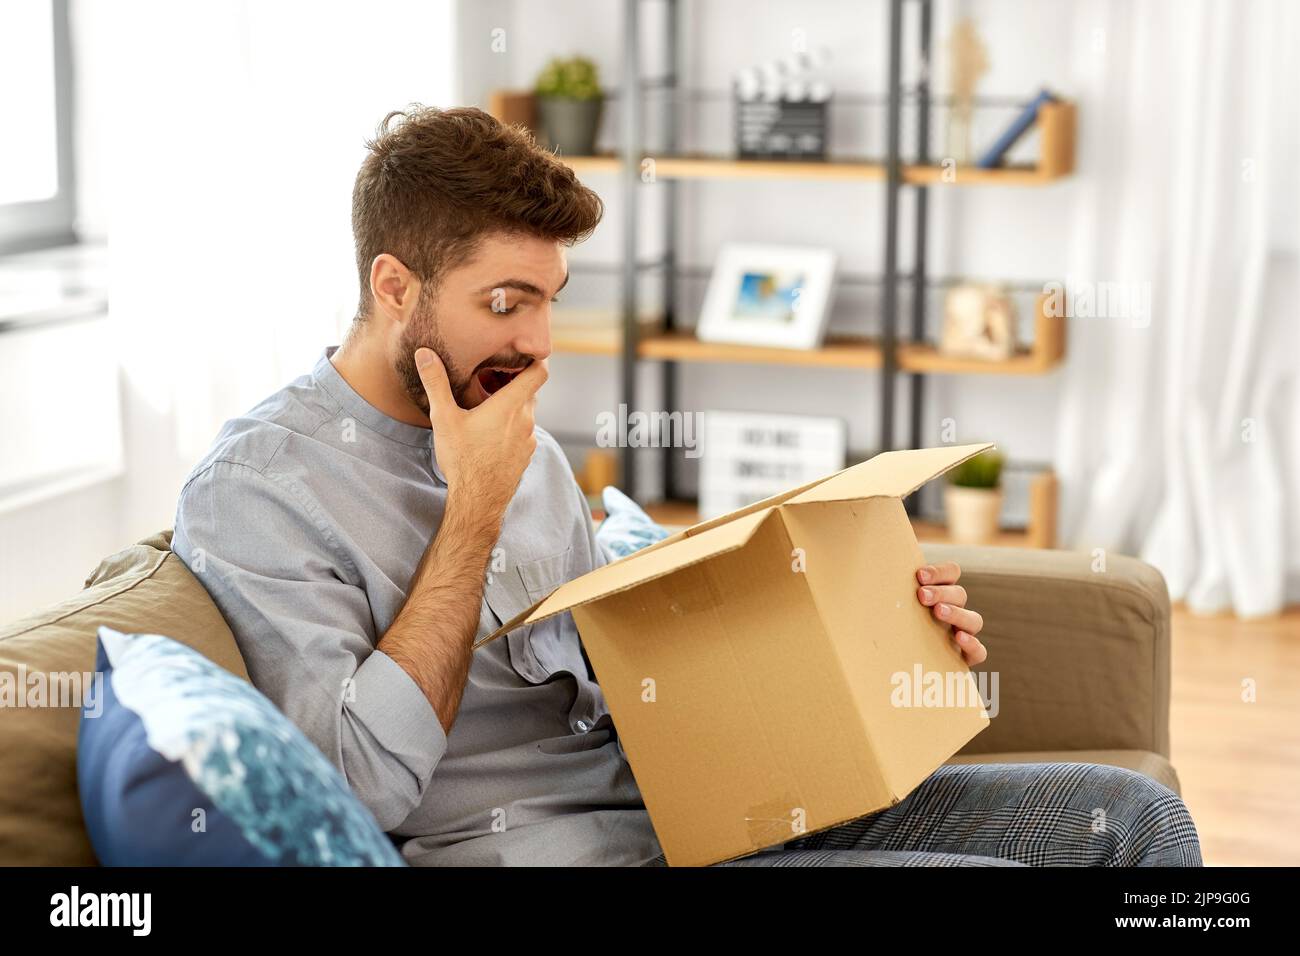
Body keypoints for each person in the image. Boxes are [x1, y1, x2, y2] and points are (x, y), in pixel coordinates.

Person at [173, 105, 1201, 867]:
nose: (537, 343)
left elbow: (623, 682)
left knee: (1134, 820)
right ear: (394, 286)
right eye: (505, 301)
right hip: (558, 856)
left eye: (549, 302)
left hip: (704, 807)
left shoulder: (516, 438)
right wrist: (471, 511)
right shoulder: (262, 489)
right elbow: (359, 781)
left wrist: (858, 633)